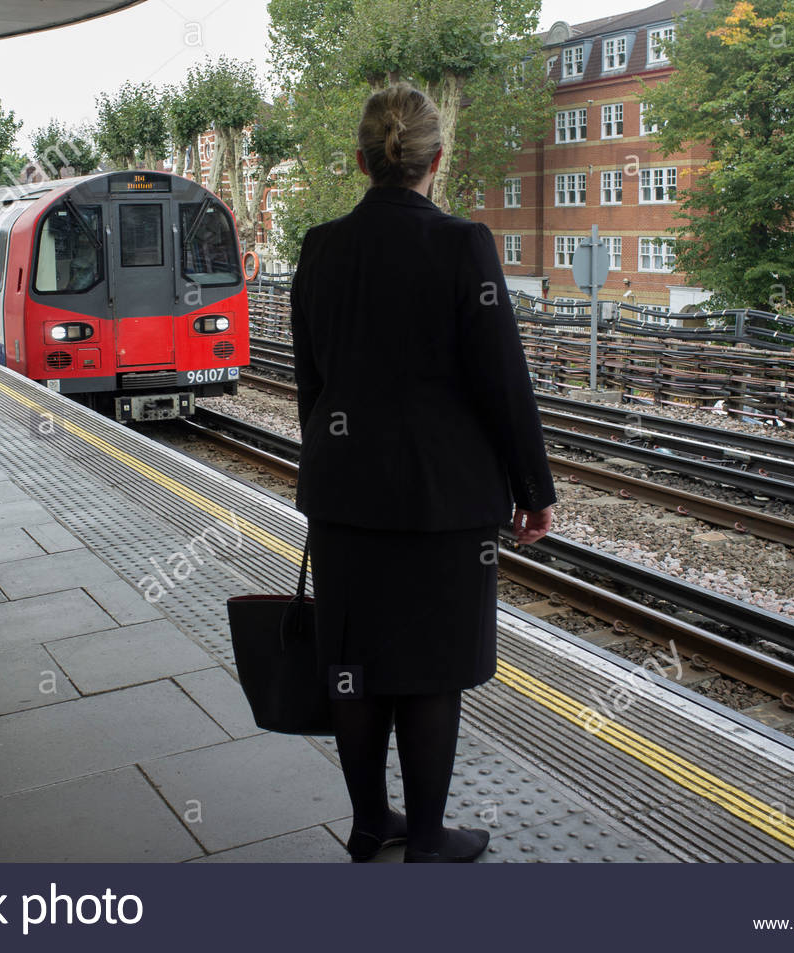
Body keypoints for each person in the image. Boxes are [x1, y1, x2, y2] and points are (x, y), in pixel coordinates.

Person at [289, 84, 557, 864]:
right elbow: (503, 379)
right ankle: (428, 832)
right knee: (431, 664)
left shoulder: (320, 246)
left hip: (345, 499)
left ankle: (371, 821)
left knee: (356, 665)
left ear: (361, 160)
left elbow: (314, 385)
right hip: (445, 502)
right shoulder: (463, 244)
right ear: (435, 162)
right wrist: (532, 488)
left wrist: (333, 457)